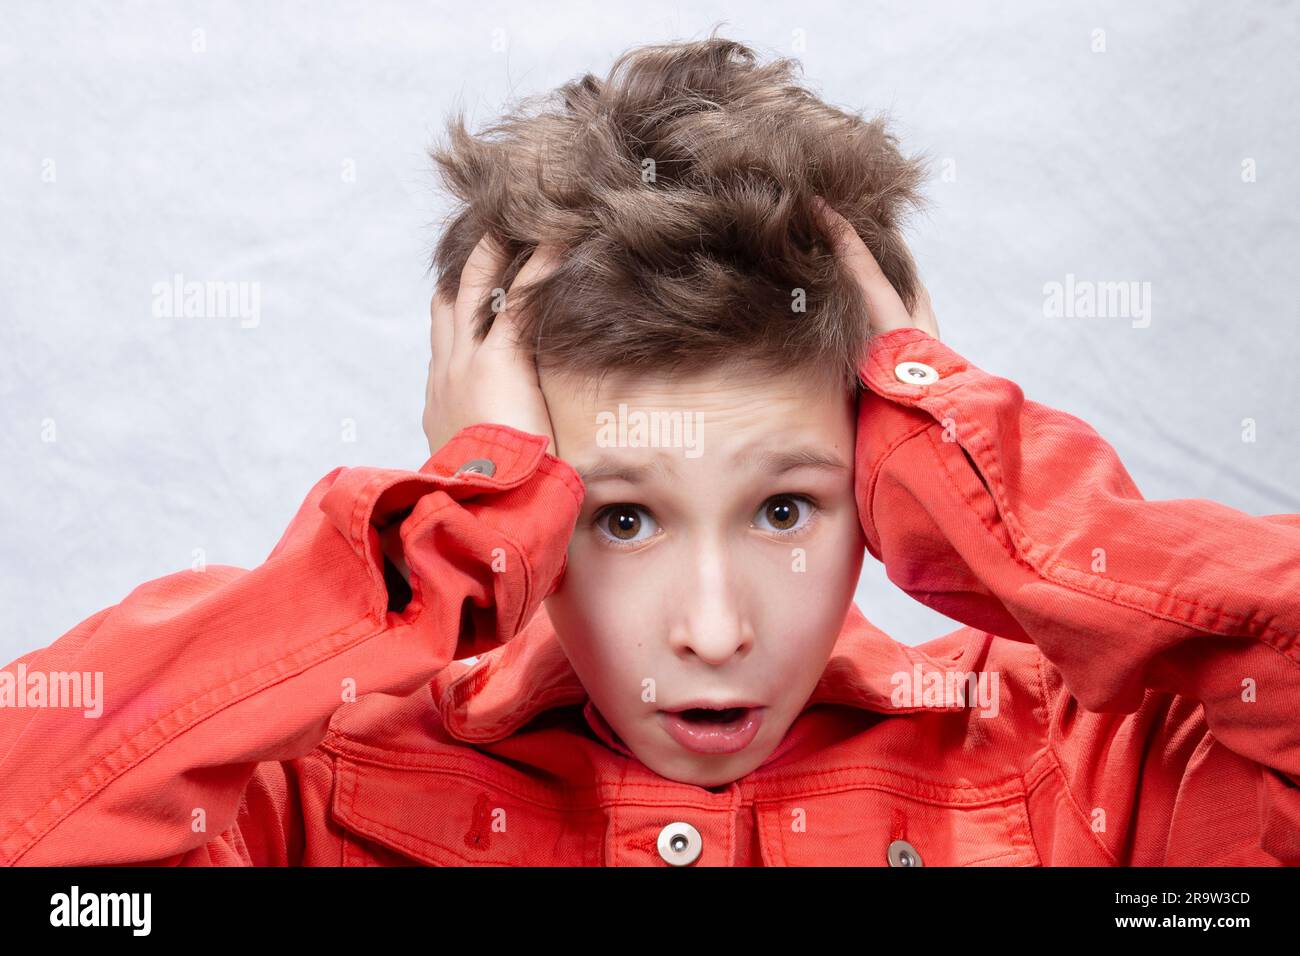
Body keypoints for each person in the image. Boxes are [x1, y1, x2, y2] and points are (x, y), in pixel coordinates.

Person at [1, 35, 1297, 867]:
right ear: (512, 490)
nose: (718, 630)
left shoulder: (1067, 761)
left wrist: (1008, 504)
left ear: (883, 474)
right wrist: (434, 541)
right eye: (623, 518)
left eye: (788, 509)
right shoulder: (327, 784)